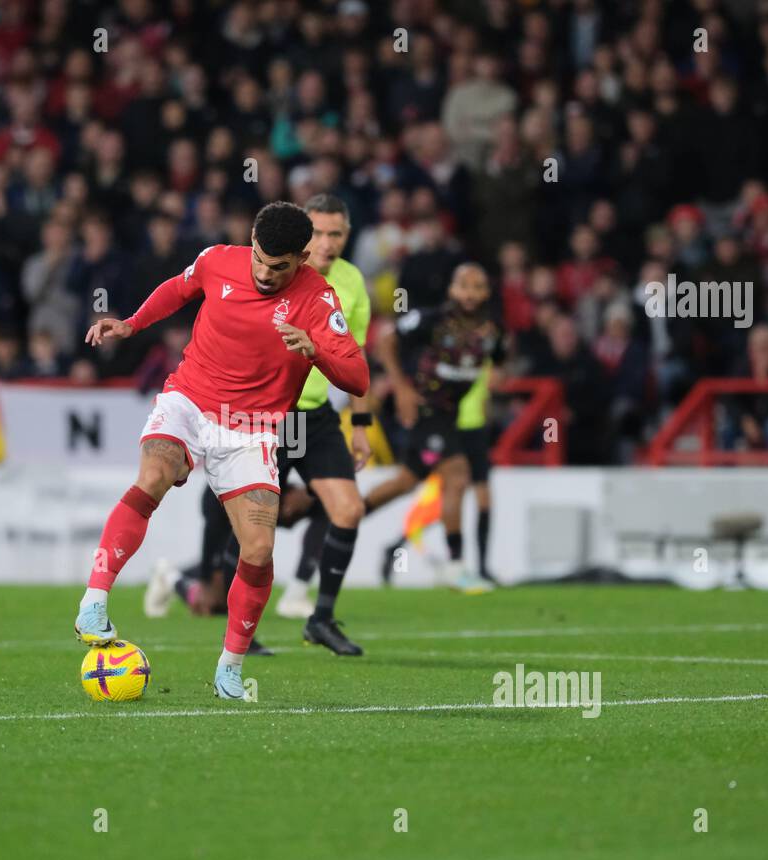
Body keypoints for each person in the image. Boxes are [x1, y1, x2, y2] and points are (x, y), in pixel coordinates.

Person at [76, 202, 369, 700]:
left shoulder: (320, 300)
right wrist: (132, 322)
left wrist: (314, 351)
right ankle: (94, 600)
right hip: (190, 400)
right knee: (154, 476)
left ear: (301, 259)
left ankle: (230, 668)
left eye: (279, 266)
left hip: (252, 430)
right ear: (251, 241)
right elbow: (179, 288)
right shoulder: (218, 259)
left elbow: (358, 379)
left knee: (258, 550)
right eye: (259, 258)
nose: (265, 273)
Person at [268, 194, 372, 656]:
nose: (328, 244)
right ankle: (239, 632)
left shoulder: (352, 283)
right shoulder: (278, 271)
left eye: (337, 234)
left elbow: (356, 362)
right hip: (270, 414)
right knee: (255, 524)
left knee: (348, 510)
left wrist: (362, 427)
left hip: (315, 417)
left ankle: (321, 618)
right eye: (320, 233)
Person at [364, 263, 502, 591]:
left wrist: (493, 382)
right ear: (452, 290)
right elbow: (386, 340)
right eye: (463, 286)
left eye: (477, 286)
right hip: (426, 412)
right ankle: (456, 567)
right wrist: (401, 388)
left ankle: (346, 516)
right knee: (457, 476)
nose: (470, 293)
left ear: (486, 293)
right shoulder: (432, 320)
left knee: (407, 482)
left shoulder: (492, 331)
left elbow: (498, 360)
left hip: (452, 420)